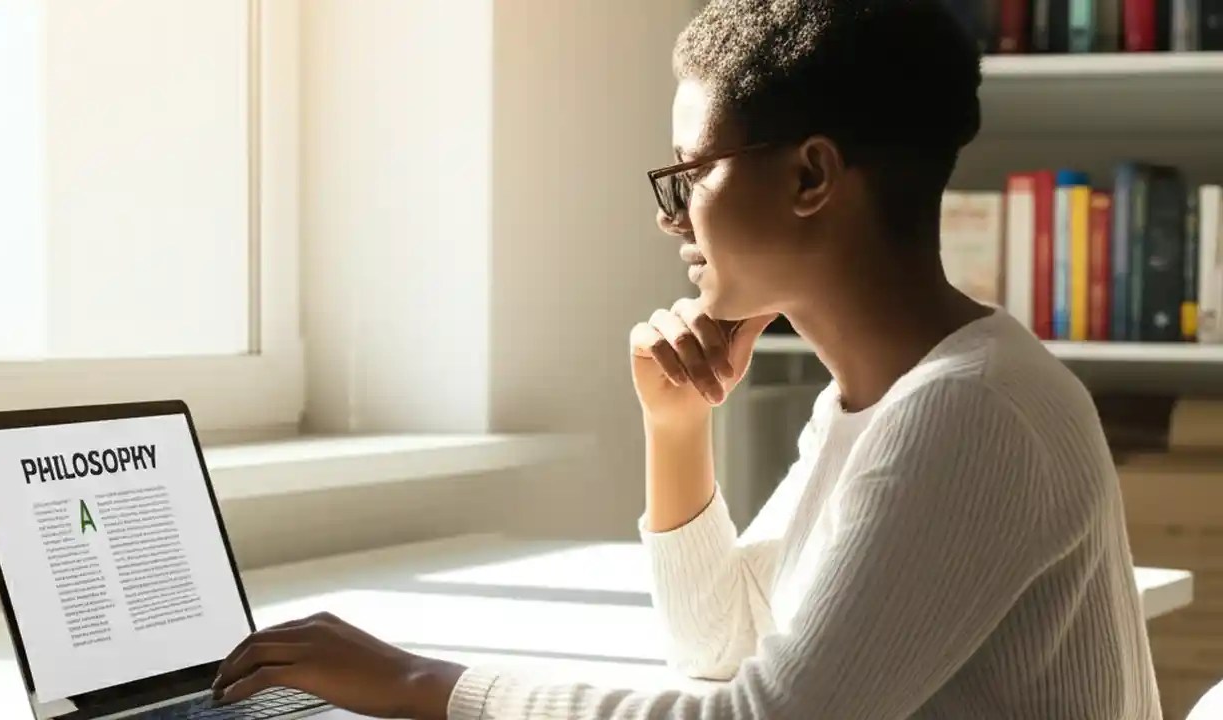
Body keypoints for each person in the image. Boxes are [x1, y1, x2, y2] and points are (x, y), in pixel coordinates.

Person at [211, 0, 1162, 717]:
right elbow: (721, 645)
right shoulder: (879, 401)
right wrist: (676, 428)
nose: (670, 217)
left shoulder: (971, 411)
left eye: (689, 173)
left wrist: (418, 678)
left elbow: (758, 717)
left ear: (809, 176)